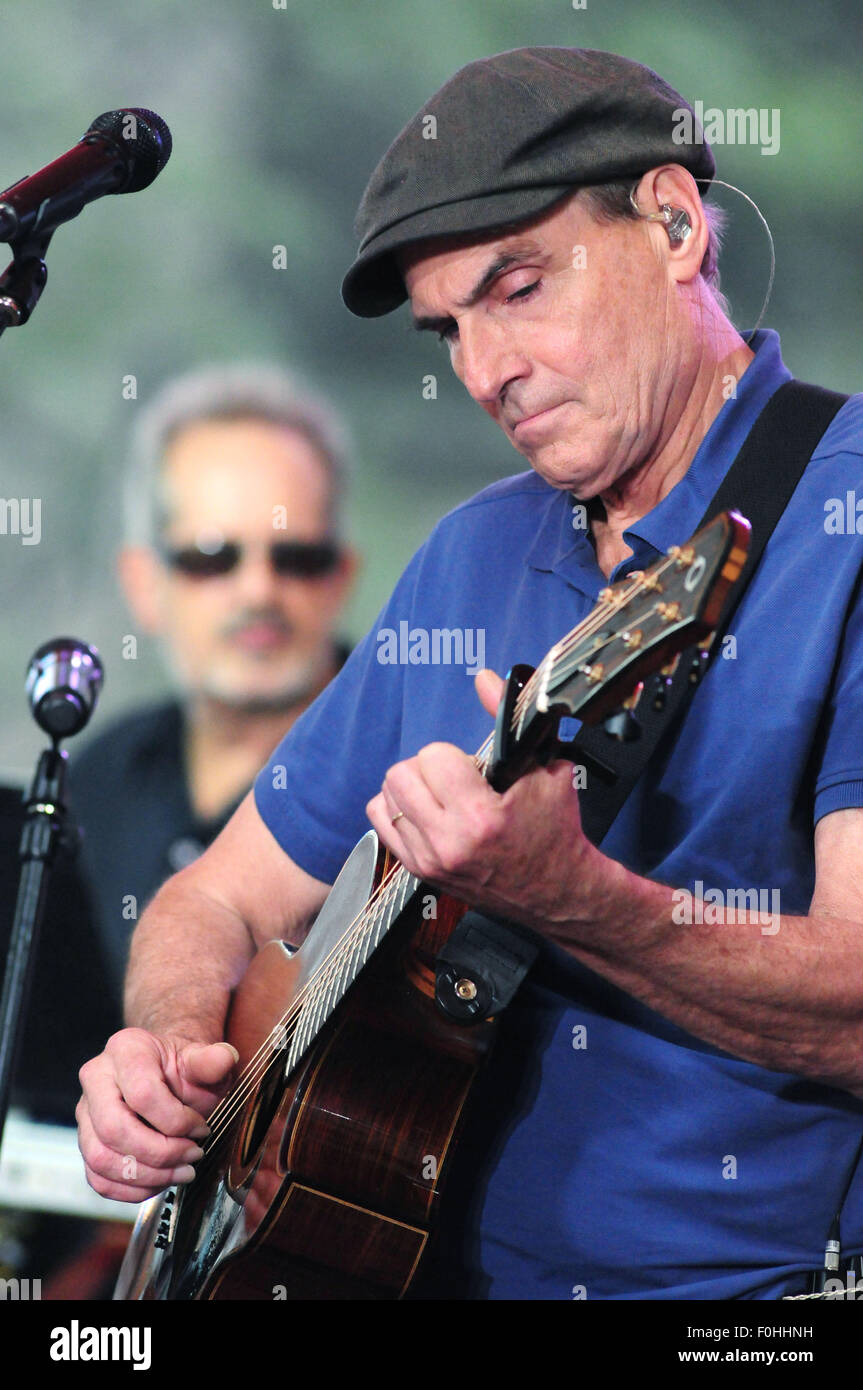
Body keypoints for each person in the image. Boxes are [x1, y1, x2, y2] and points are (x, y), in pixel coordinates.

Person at [77, 48, 863, 1300]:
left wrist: (577, 897)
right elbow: (206, 907)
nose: (484, 372)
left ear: (669, 222)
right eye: (450, 327)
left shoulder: (845, 520)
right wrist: (172, 1061)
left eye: (516, 288)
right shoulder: (472, 550)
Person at [68, 364, 358, 997]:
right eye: (211, 558)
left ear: (341, 576)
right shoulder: (96, 781)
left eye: (297, 557)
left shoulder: (416, 762)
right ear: (144, 585)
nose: (258, 590)